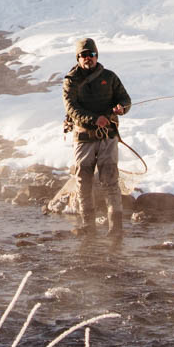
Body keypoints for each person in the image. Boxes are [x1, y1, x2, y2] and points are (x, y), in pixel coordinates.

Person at [62, 36, 131, 235]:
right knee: (84, 181)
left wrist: (122, 108)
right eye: (83, 55)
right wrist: (94, 119)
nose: (88, 58)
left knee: (110, 179)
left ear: (96, 55)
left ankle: (116, 228)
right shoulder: (70, 81)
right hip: (83, 138)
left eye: (91, 54)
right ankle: (88, 226)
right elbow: (71, 108)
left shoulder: (109, 77)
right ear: (78, 58)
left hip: (107, 136)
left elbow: (125, 99)